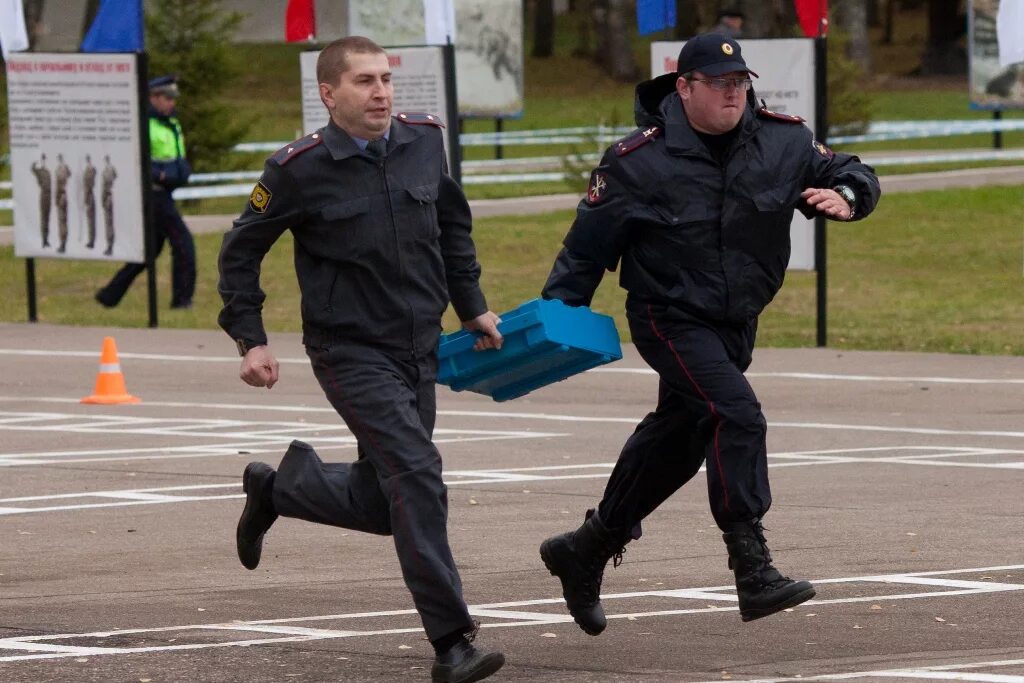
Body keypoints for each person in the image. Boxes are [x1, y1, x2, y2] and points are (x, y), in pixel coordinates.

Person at [537, 33, 881, 635]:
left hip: (735, 319)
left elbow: (849, 170)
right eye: (719, 84)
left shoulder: (784, 139)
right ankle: (751, 566)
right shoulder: (636, 161)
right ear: (684, 87)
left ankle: (586, 548)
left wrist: (849, 196)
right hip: (668, 317)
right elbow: (585, 251)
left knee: (680, 440)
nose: (732, 93)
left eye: (740, 82)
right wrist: (555, 324)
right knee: (737, 416)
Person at [218, 36, 506, 683]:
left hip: (419, 347)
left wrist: (472, 303)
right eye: (364, 81)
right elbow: (241, 251)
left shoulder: (424, 141)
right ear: (329, 93)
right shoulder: (298, 169)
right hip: (349, 351)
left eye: (385, 79)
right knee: (417, 470)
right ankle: (453, 639)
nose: (381, 92)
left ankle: (279, 487)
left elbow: (452, 226)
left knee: (390, 501)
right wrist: (250, 336)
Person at [96, 75, 195, 308]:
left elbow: (177, 156)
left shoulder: (170, 122)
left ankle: (109, 296)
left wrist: (179, 171)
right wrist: (162, 174)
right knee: (183, 244)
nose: (172, 103)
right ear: (153, 97)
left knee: (149, 251)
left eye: (173, 98)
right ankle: (182, 302)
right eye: (167, 98)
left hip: (165, 191)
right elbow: (137, 160)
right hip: (154, 194)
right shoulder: (144, 124)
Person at [30, 153, 51, 248]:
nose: (44, 161)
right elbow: (32, 169)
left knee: (47, 219)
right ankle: (43, 240)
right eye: (42, 160)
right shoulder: (39, 171)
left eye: (44, 159)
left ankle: (46, 240)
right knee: (43, 219)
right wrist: (35, 162)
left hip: (49, 196)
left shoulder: (47, 172)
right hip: (43, 195)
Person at [54, 153, 71, 253]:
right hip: (63, 196)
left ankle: (63, 244)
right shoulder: (64, 169)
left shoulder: (60, 170)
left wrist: (56, 199)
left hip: (61, 196)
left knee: (62, 221)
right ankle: (63, 242)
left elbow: (58, 186)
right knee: (63, 221)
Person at [101, 155, 117, 256]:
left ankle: (110, 246)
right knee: (109, 223)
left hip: (108, 198)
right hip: (109, 196)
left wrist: (103, 200)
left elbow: (104, 188)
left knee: (108, 223)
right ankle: (110, 245)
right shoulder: (111, 170)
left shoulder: (107, 172)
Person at [83, 154, 97, 249]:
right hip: (88, 195)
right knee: (90, 220)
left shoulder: (91, 170)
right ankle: (90, 240)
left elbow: (88, 185)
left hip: (90, 196)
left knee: (91, 220)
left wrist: (86, 199)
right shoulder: (87, 170)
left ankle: (92, 241)